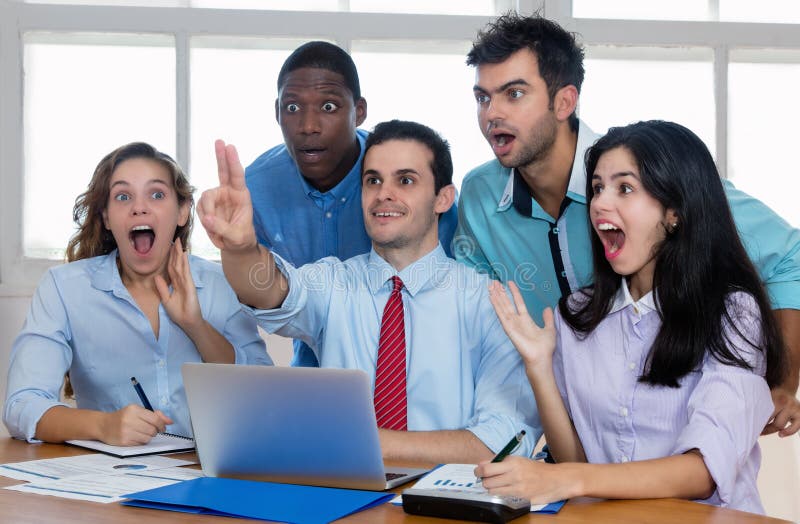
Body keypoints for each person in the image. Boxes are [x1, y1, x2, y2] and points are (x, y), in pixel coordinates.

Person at [455, 12, 800, 436]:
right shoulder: (478, 196)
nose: (492, 113)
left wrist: (781, 384)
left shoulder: (650, 175)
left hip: (669, 430)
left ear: (564, 102)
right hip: (556, 431)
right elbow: (478, 314)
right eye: (482, 97)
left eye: (514, 93)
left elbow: (790, 255)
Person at [480, 120, 784, 514]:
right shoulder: (577, 314)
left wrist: (564, 478)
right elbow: (577, 459)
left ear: (674, 212)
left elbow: (702, 471)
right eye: (597, 188)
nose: (599, 204)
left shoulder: (733, 314)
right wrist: (538, 365)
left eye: (624, 188)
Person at [198, 120, 539, 463]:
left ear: (443, 199)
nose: (383, 194)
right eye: (373, 180)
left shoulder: (489, 303)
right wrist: (241, 249)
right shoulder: (334, 283)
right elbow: (268, 291)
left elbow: (502, 441)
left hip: (442, 492)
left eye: (405, 180)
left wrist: (361, 443)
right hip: (338, 489)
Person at [3, 142, 271, 445]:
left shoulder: (221, 282)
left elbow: (265, 395)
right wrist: (103, 425)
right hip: (108, 471)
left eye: (157, 194)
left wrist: (196, 326)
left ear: (182, 211)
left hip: (209, 465)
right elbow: (22, 405)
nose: (139, 207)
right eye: (123, 196)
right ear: (106, 217)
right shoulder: (63, 288)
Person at [246, 41, 459, 367]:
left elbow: (447, 289)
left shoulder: (407, 178)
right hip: (315, 366)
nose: (308, 126)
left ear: (359, 112)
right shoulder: (256, 187)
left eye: (329, 106)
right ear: (277, 112)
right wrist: (236, 248)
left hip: (419, 361)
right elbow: (270, 295)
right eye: (292, 108)